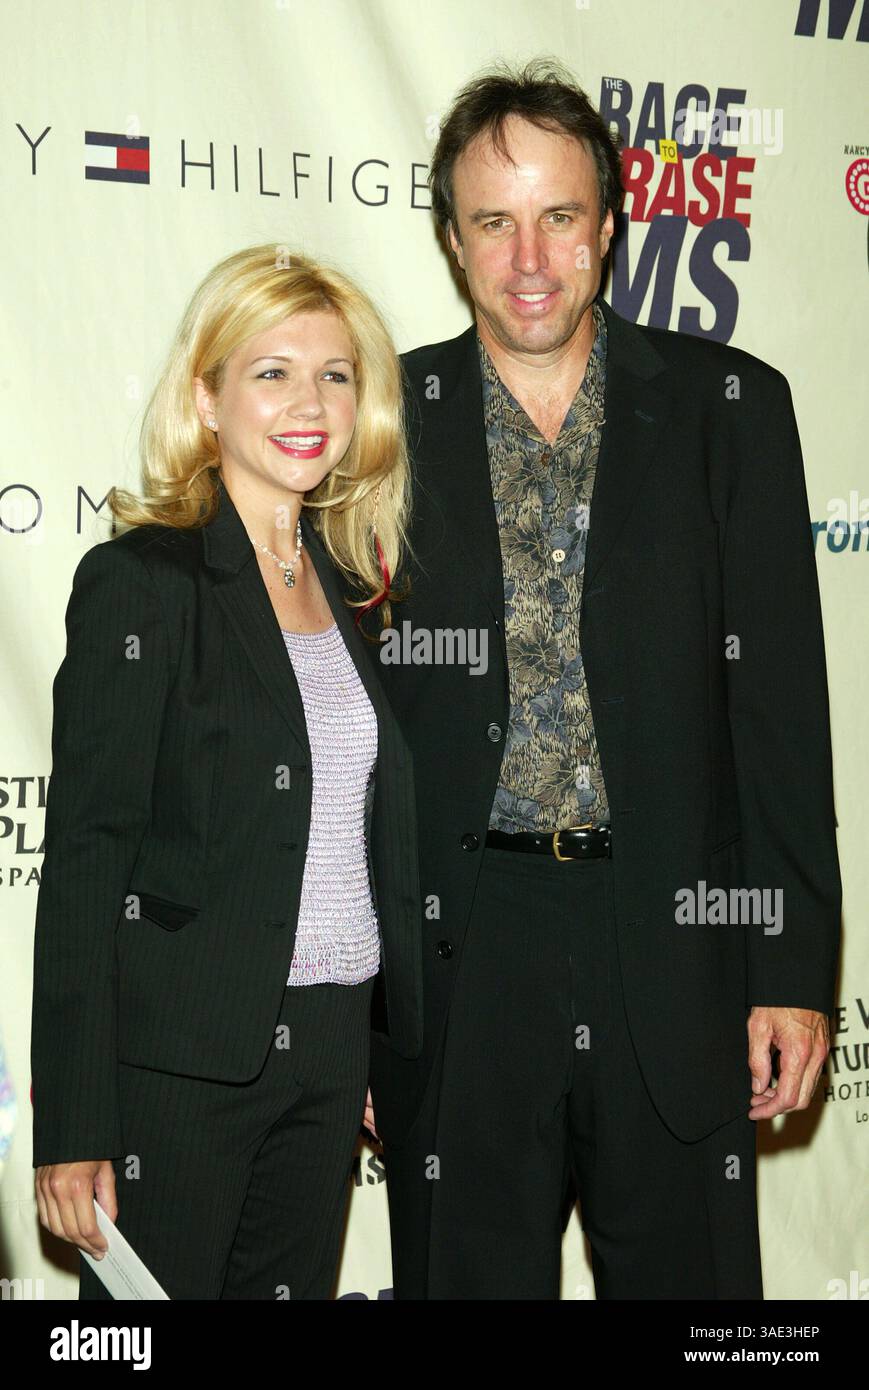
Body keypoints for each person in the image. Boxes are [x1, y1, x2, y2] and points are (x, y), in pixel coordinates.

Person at [362, 60, 842, 1299]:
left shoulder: (727, 410)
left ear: (610, 228)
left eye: (558, 217)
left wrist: (788, 973)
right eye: (492, 222)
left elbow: (778, 718)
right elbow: (343, 740)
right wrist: (350, 1009)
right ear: (452, 242)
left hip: (675, 944)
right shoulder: (372, 426)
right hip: (463, 962)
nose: (528, 257)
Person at [31, 244, 419, 1300]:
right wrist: (71, 1125)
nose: (309, 400)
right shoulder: (141, 583)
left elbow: (363, 840)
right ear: (206, 397)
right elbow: (83, 861)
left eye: (334, 374)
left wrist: (383, 1047)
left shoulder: (352, 591)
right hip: (181, 1068)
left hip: (330, 1057)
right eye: (271, 370)